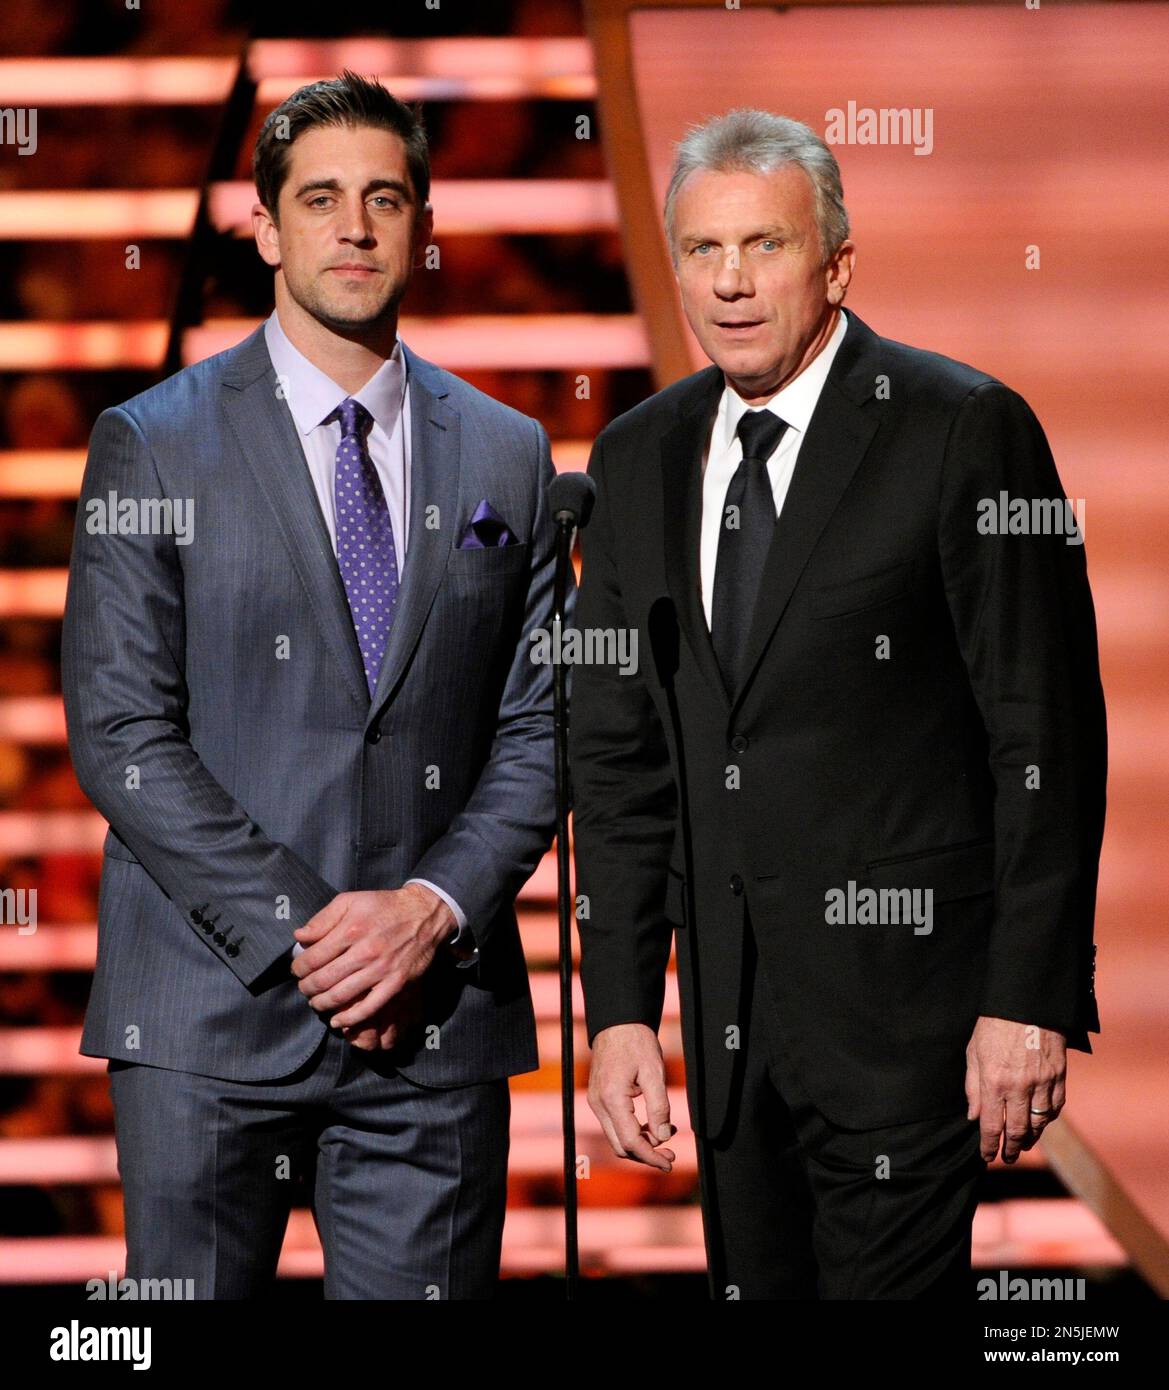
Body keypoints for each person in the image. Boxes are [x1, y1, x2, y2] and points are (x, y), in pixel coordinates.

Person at [569, 108, 1106, 1299]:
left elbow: (1043, 737)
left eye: (763, 246)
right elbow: (616, 764)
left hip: (908, 1032)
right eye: (701, 251)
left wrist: (1026, 998)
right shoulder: (633, 460)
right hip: (725, 1038)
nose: (729, 282)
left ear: (836, 263)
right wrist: (617, 1011)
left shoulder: (959, 428)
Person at [61, 70, 564, 1299]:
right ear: (266, 227)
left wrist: (429, 911)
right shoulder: (153, 440)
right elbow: (121, 728)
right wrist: (317, 939)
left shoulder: (509, 449)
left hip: (434, 1027)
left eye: (385, 199)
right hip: (204, 1020)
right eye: (322, 198)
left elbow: (546, 721)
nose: (354, 227)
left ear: (423, 229)